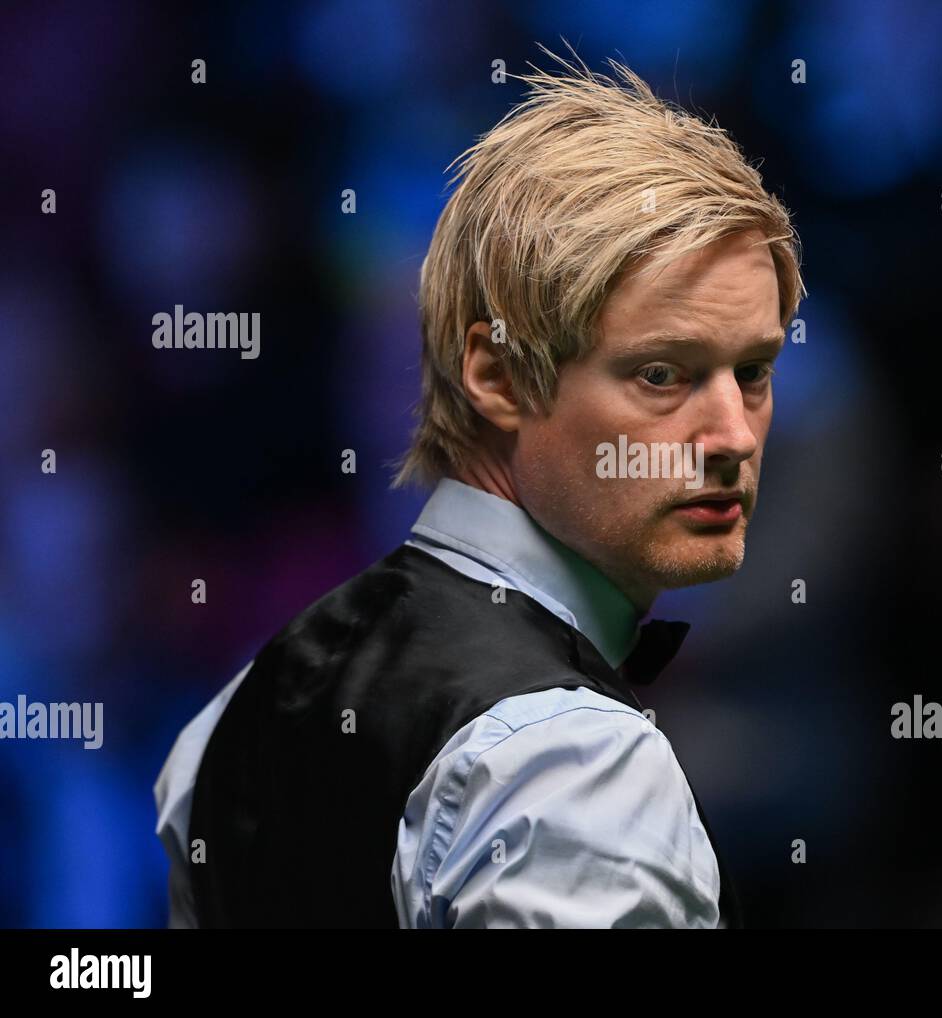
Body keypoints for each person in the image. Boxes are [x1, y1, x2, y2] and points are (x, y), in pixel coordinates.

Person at [152, 47, 804, 929]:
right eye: (659, 373)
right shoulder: (576, 764)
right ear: (494, 378)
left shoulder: (232, 719)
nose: (731, 434)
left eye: (753, 371)